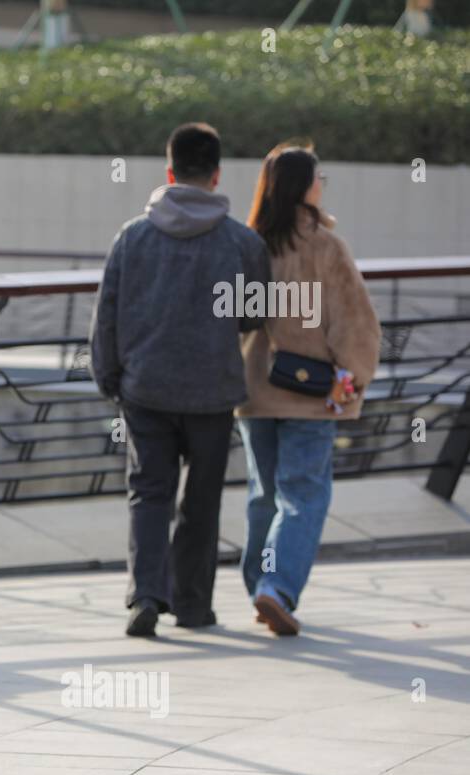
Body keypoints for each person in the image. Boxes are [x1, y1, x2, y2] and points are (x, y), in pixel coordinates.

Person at [89, 122, 271, 638]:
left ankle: (145, 595)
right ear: (216, 176)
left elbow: (107, 314)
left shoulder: (133, 237)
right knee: (201, 501)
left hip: (145, 388)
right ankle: (193, 606)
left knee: (149, 494)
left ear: (170, 172)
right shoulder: (242, 242)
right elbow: (253, 315)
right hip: (214, 392)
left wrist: (108, 376)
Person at [238, 145, 380, 636]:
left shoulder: (250, 241)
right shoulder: (325, 246)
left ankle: (260, 582)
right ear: (305, 186)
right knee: (303, 495)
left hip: (256, 389)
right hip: (313, 393)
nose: (323, 182)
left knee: (264, 494)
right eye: (320, 175)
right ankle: (275, 587)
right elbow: (353, 324)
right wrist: (354, 375)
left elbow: (234, 321)